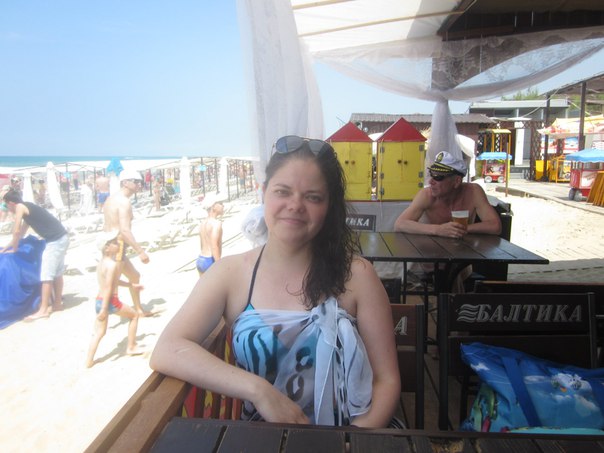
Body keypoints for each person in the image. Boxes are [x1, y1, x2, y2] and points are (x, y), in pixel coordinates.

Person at [151, 135, 400, 427]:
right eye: (283, 191)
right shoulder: (230, 274)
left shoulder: (357, 275)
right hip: (263, 439)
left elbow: (386, 380)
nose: (295, 205)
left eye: (313, 197)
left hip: (354, 434)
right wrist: (258, 391)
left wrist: (348, 441)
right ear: (264, 193)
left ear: (329, 206)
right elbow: (167, 348)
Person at [394, 151, 501, 237]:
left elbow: (495, 226)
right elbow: (400, 224)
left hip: (464, 252)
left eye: (438, 177)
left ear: (457, 181)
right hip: (431, 251)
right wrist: (438, 230)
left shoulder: (473, 192)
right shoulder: (427, 195)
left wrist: (458, 229)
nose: (431, 181)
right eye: (431, 174)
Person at [1, 189, 70, 319]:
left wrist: (14, 250)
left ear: (11, 203)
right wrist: (6, 247)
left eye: (5, 204)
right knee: (57, 273)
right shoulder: (28, 208)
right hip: (62, 237)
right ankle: (57, 304)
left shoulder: (20, 207)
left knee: (46, 275)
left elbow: (16, 231)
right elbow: (21, 234)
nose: (6, 208)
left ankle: (43, 310)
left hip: (55, 241)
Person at [86, 230, 144, 368]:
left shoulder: (101, 263)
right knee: (134, 316)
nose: (118, 244)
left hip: (99, 300)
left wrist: (130, 285)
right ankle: (131, 346)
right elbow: (109, 288)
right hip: (110, 301)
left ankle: (89, 361)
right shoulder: (112, 265)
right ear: (106, 248)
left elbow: (113, 282)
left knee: (99, 332)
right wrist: (104, 309)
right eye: (114, 243)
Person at [102, 169, 151, 317]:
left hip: (110, 244)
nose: (139, 185)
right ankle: (104, 313)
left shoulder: (111, 199)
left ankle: (138, 309)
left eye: (140, 182)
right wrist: (140, 251)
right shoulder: (124, 202)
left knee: (134, 276)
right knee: (112, 283)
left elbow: (107, 225)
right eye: (136, 182)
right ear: (125, 183)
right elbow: (124, 230)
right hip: (117, 245)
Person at [196, 201, 224, 275]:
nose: (223, 205)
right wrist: (219, 264)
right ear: (213, 207)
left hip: (201, 259)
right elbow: (214, 246)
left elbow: (202, 245)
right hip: (210, 260)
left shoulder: (202, 223)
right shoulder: (216, 224)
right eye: (220, 203)